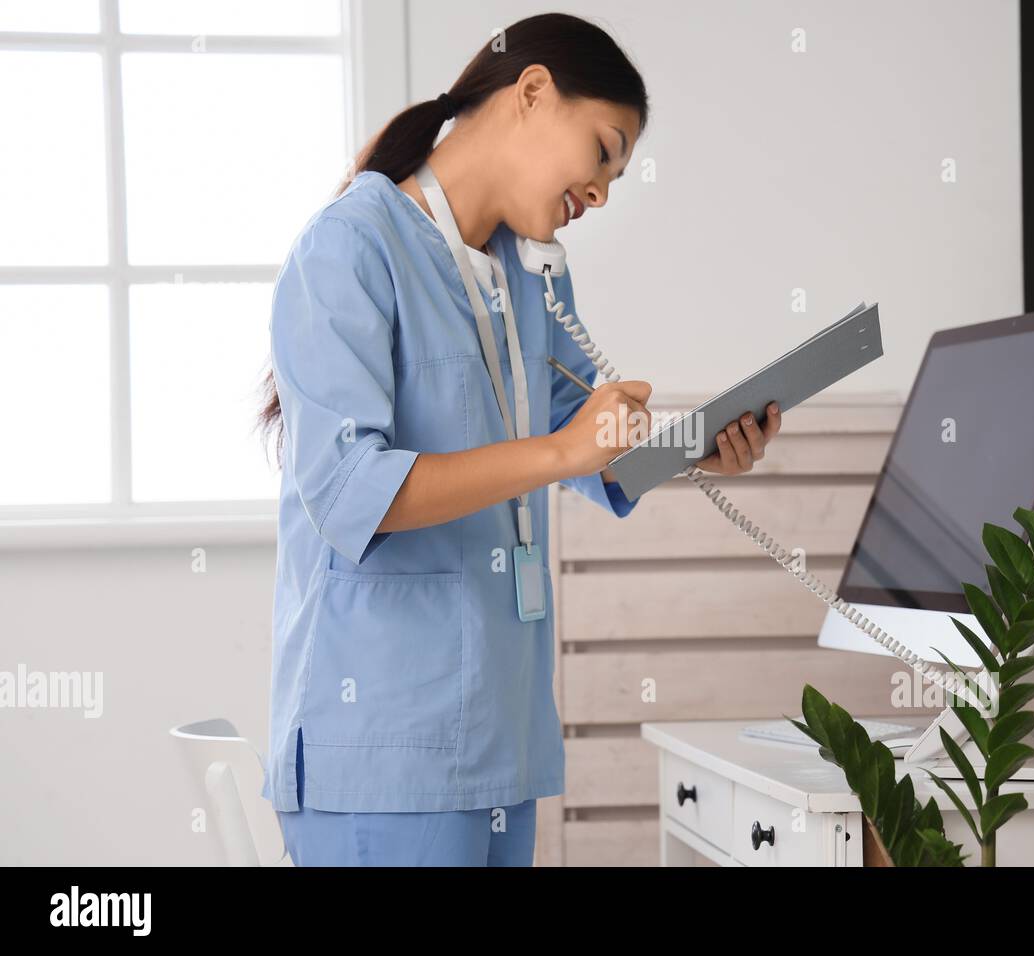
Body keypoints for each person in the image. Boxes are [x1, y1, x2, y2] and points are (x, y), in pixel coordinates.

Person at [254, 12, 782, 866]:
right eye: (604, 150)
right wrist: (565, 451)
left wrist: (695, 447)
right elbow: (352, 491)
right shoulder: (350, 247)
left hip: (499, 741)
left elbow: (582, 445)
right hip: (385, 752)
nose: (604, 190)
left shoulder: (531, 273)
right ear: (533, 91)